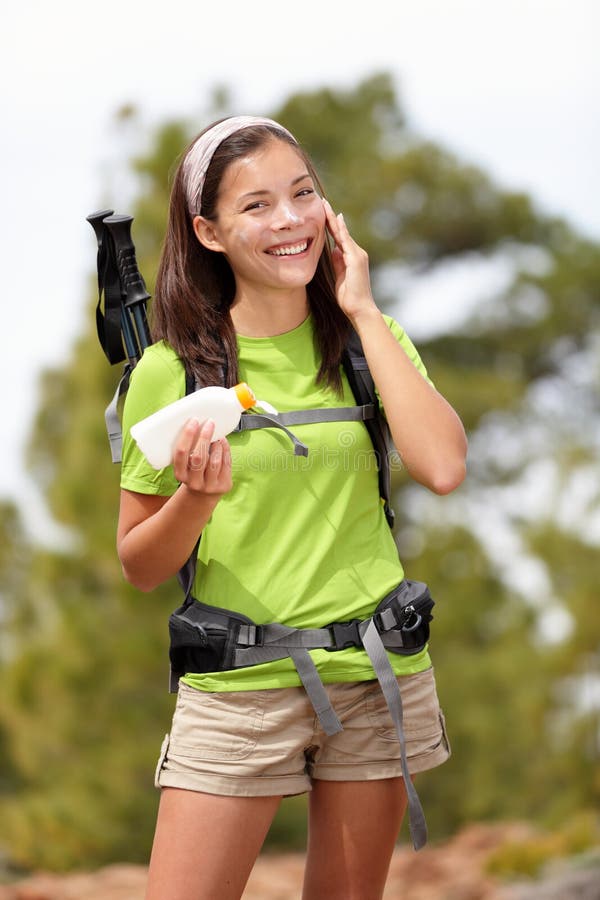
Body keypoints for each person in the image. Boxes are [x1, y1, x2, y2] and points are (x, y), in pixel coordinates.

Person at [117, 115, 467, 900]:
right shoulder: (171, 373)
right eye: (257, 205)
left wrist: (366, 313)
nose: (289, 221)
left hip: (376, 676)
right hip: (237, 689)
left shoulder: (367, 341)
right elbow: (140, 563)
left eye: (303, 194)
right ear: (208, 232)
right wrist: (195, 503)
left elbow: (443, 467)